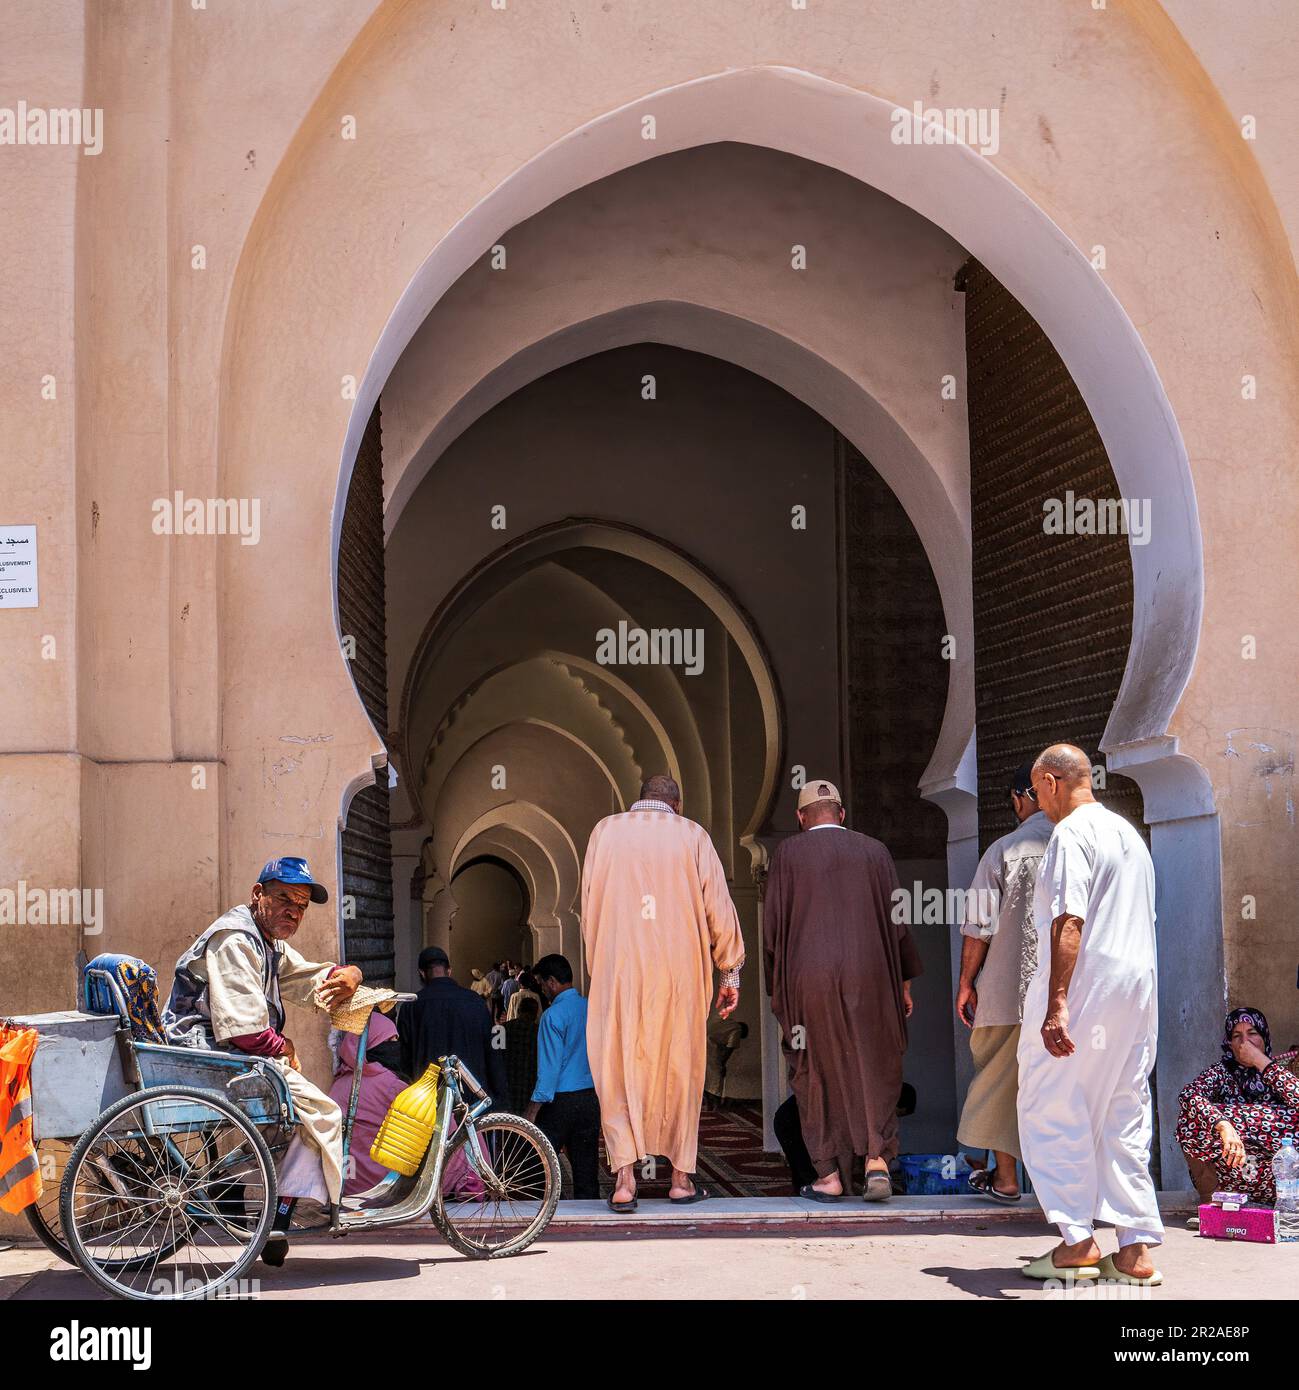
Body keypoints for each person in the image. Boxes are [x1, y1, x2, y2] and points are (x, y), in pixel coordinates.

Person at [163, 855, 362, 1263]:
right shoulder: (236, 938)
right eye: (285, 898)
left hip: (229, 1054)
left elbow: (309, 977)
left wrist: (351, 974)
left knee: (293, 1118)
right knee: (323, 1114)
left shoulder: (267, 942)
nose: (294, 911)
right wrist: (284, 1047)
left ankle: (246, 1193)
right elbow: (245, 1030)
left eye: (302, 905)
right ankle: (280, 1217)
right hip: (209, 1055)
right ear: (259, 895)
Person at [1016, 744, 1163, 1285]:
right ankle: (1135, 1251)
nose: (1038, 802)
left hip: (1087, 991)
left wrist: (1057, 1004)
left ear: (1052, 782)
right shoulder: (1130, 835)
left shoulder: (1071, 834)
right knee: (1124, 1111)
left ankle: (1077, 1242)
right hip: (1135, 993)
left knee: (1051, 1104)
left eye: (1037, 790)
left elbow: (1068, 921)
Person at [582, 774, 745, 1210]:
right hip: (679, 977)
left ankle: (624, 1181)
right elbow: (719, 910)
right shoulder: (692, 835)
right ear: (678, 802)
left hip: (619, 973)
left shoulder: (605, 831)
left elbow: (589, 907)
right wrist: (729, 973)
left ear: (640, 800)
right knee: (680, 1069)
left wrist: (605, 965)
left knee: (618, 1069)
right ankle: (679, 1180)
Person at [762, 778, 921, 1202]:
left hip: (807, 981)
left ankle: (828, 1175)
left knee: (814, 1071)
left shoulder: (788, 854)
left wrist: (778, 991)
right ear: (842, 814)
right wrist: (902, 983)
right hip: (871, 978)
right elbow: (898, 923)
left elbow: (772, 931)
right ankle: (876, 1162)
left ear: (800, 817)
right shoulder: (875, 852)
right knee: (873, 1065)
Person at [955, 761, 1051, 1202]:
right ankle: (1066, 1189)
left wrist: (966, 982)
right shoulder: (1087, 844)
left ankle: (1007, 1179)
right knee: (1064, 1086)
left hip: (1009, 994)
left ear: (1020, 798)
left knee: (998, 1078)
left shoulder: (1005, 851)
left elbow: (978, 926)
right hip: (1077, 999)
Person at [1176, 1007, 1299, 1205]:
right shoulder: (1222, 1072)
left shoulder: (1278, 1072)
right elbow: (1189, 1095)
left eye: (1252, 1034)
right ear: (1229, 1043)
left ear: (1264, 1037)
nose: (1245, 1043)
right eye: (1237, 1036)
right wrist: (1223, 1125)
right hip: (1232, 1180)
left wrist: (1261, 1061)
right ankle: (1211, 1201)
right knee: (1191, 1117)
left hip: (1277, 1184)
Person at [525, 954, 601, 1199]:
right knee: (586, 1168)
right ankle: (590, 1221)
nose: (543, 990)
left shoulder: (552, 1016)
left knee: (538, 1165)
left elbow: (549, 1071)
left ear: (552, 982)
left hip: (560, 1102)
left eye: (542, 983)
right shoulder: (592, 1008)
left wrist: (532, 1112)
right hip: (591, 1098)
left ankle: (538, 1215)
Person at [398, 947, 508, 1106]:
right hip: (472, 1097)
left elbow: (404, 1059)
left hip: (427, 1100)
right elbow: (494, 1049)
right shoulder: (475, 1001)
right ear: (449, 971)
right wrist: (500, 1096)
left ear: (422, 973)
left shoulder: (411, 1006)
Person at [329, 1010, 407, 1196]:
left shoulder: (338, 1084)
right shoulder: (391, 1085)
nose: (394, 1047)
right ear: (371, 1044)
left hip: (346, 1184)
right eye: (388, 1042)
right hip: (381, 1184)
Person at [503, 994, 541, 1114]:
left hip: (507, 1085)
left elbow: (493, 1059)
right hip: (530, 1087)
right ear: (535, 1014)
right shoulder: (539, 1032)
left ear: (518, 1010)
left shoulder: (502, 1029)